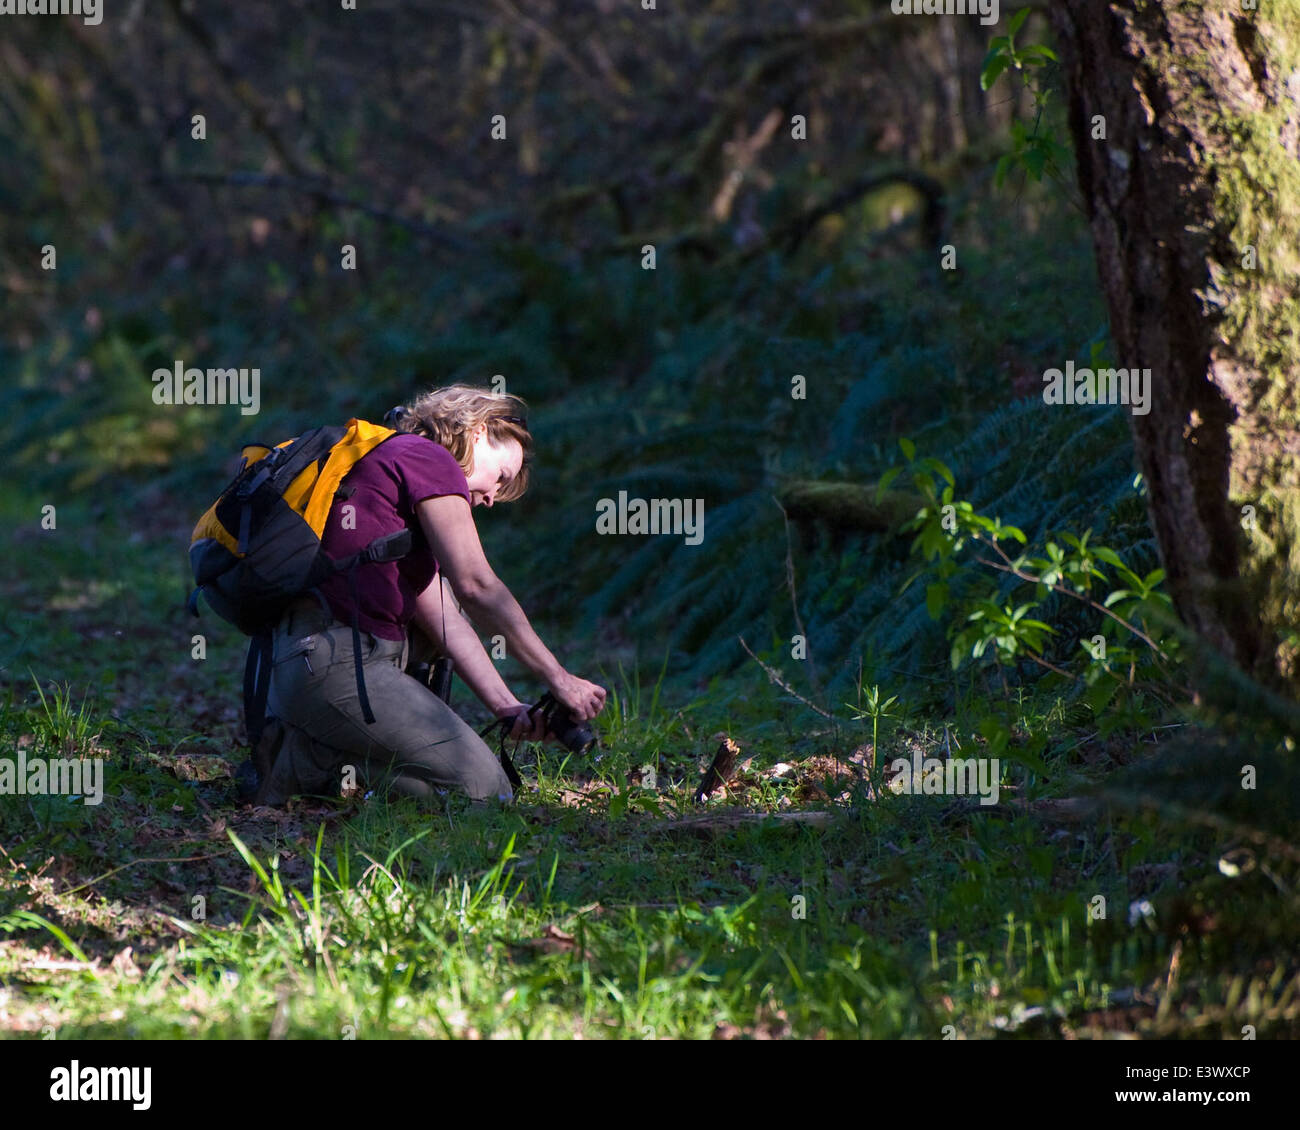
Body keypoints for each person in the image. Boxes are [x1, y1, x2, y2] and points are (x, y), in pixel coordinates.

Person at [251, 384, 606, 807]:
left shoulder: (395, 479)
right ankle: (307, 764)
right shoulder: (430, 459)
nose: (493, 498)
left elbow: (448, 621)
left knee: (452, 789)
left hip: (304, 666)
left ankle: (311, 756)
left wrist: (508, 708)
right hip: (339, 665)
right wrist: (560, 679)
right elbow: (478, 586)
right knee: (486, 794)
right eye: (501, 477)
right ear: (476, 433)